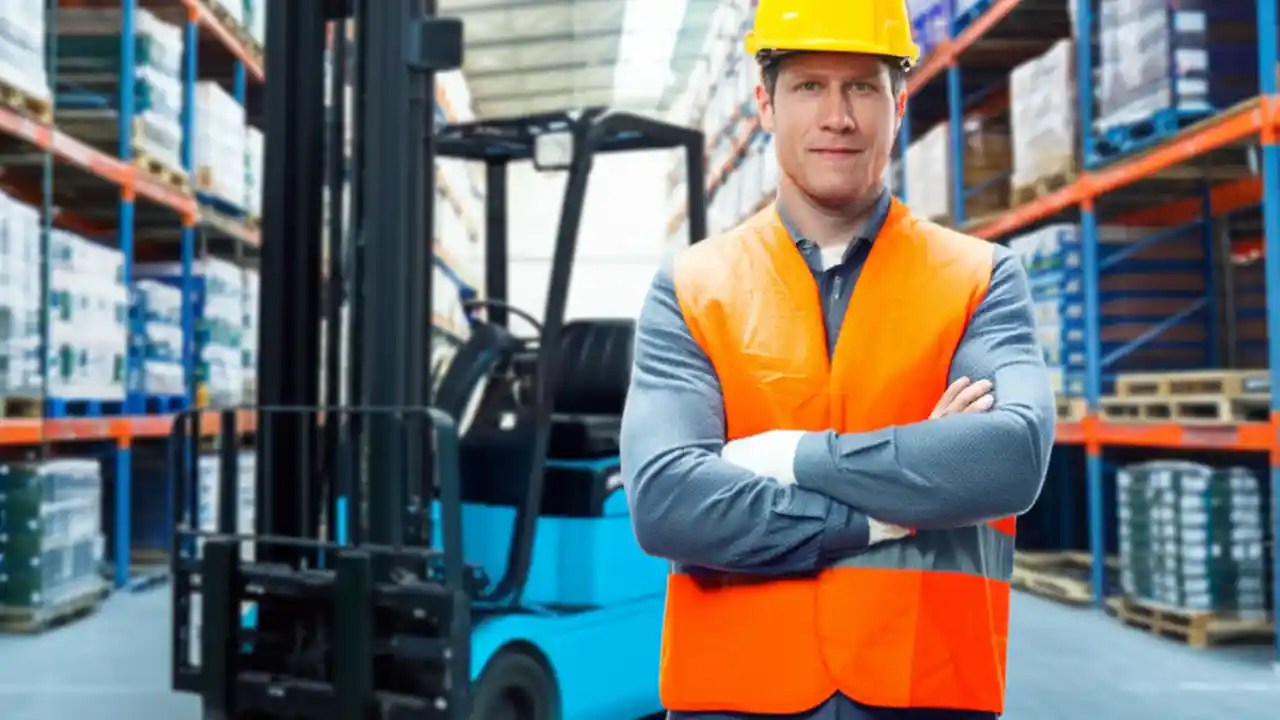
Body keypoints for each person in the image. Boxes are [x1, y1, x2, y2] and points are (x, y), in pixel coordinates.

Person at [618, 1, 1056, 718]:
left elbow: (1008, 458)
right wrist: (888, 511)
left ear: (899, 100)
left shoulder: (980, 277)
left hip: (926, 689)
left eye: (861, 86)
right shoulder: (693, 288)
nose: (838, 116)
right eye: (809, 86)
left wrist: (783, 456)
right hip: (736, 696)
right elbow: (668, 503)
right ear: (765, 101)